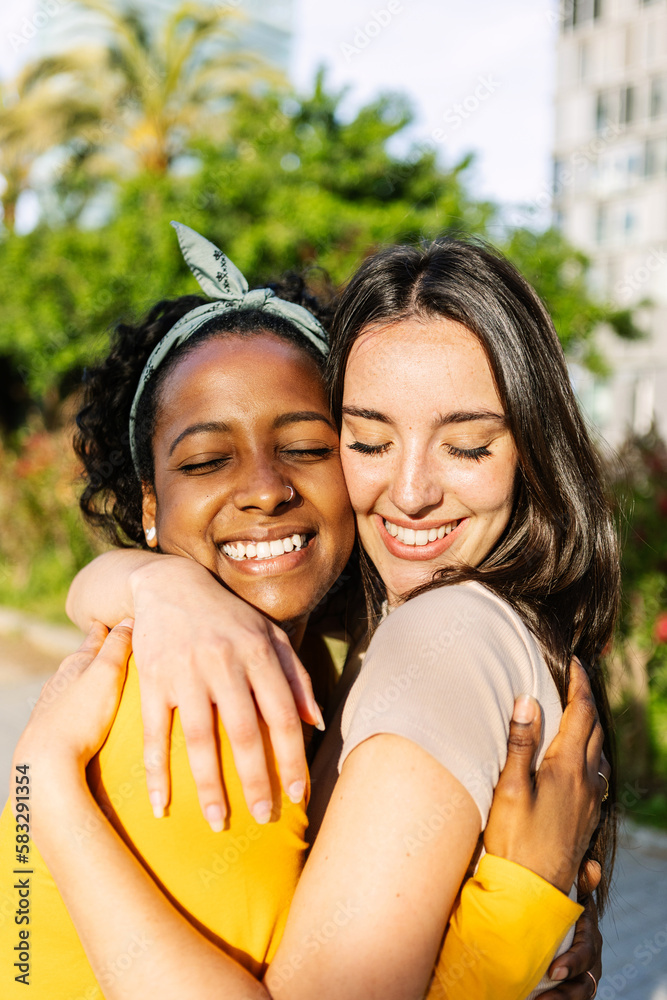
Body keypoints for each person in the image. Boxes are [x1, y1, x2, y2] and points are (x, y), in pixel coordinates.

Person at [4, 227, 609, 999]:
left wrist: (151, 584)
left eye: (309, 447)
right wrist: (41, 788)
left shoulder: (320, 659)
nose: (264, 488)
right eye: (204, 460)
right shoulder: (188, 698)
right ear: (149, 508)